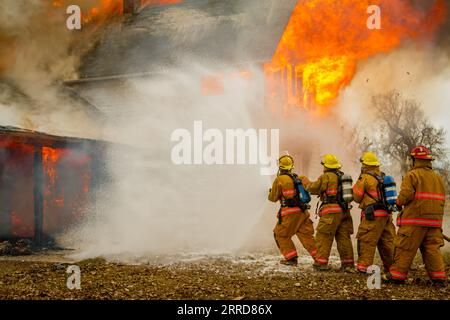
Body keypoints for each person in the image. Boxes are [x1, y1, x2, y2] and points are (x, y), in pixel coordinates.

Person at [385, 146, 447, 286]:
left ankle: (397, 276)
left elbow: (406, 195)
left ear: (414, 160)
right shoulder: (438, 178)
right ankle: (439, 278)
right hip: (434, 222)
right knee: (432, 249)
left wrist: (398, 202)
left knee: (405, 247)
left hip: (414, 221)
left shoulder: (412, 175)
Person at [303, 154, 355, 272]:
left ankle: (320, 263)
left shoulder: (326, 176)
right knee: (343, 238)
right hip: (345, 211)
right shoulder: (342, 176)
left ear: (326, 166)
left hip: (330, 212)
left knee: (323, 236)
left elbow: (314, 188)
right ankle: (348, 265)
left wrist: (305, 183)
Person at [268, 154, 317, 266]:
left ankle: (291, 259)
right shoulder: (299, 178)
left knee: (280, 235)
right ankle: (320, 259)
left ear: (280, 167)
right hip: (303, 212)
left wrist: (270, 192)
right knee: (307, 236)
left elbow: (273, 198)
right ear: (291, 167)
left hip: (289, 214)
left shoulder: (279, 179)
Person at [352, 152, 395, 274]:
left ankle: (363, 267)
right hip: (386, 215)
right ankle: (392, 269)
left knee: (366, 239)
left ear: (365, 165)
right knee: (387, 242)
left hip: (373, 216)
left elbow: (356, 197)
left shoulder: (365, 177)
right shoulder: (383, 176)